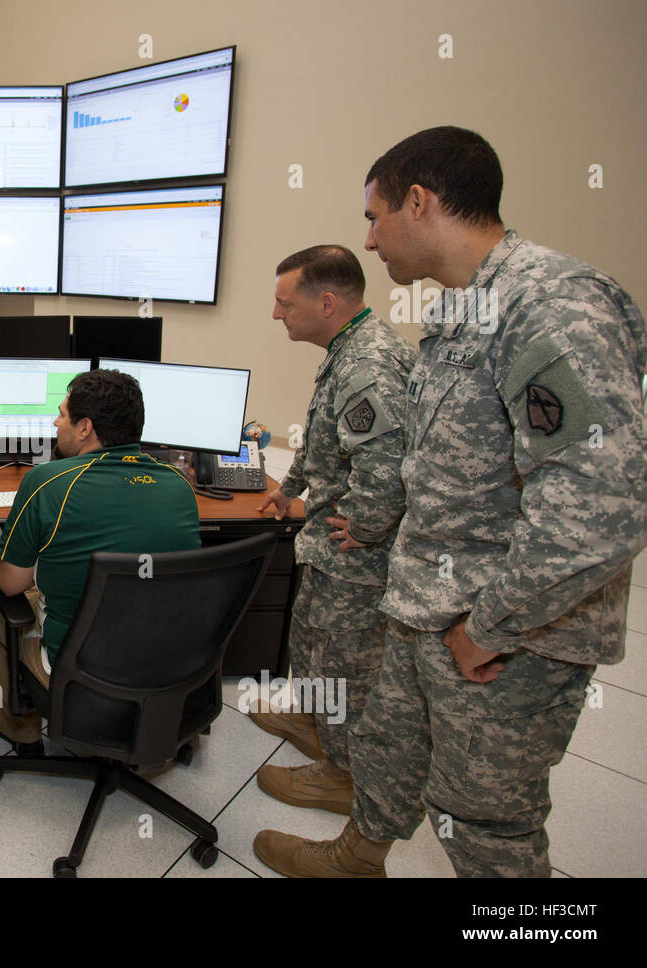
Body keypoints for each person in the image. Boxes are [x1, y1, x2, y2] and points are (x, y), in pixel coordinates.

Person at [255, 126, 647, 877]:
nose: (367, 241)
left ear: (419, 201)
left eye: (374, 218)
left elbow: (603, 504)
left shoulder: (551, 307)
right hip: (425, 605)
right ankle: (354, 858)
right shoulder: (462, 310)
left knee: (483, 826)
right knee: (387, 752)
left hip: (505, 638)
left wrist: (493, 624)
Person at [253, 245, 414, 814]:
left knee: (343, 661)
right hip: (326, 539)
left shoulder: (367, 365)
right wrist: (289, 490)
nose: (277, 316)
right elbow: (327, 442)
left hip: (356, 555)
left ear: (326, 302)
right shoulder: (347, 350)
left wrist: (366, 529)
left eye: (283, 303)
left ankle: (342, 774)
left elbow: (388, 466)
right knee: (311, 640)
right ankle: (313, 719)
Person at [0, 368, 201, 746]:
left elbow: (12, 584)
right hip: (166, 665)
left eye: (62, 413)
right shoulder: (180, 486)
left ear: (84, 428)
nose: (55, 421)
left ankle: (19, 724)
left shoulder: (46, 481)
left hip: (78, 669)